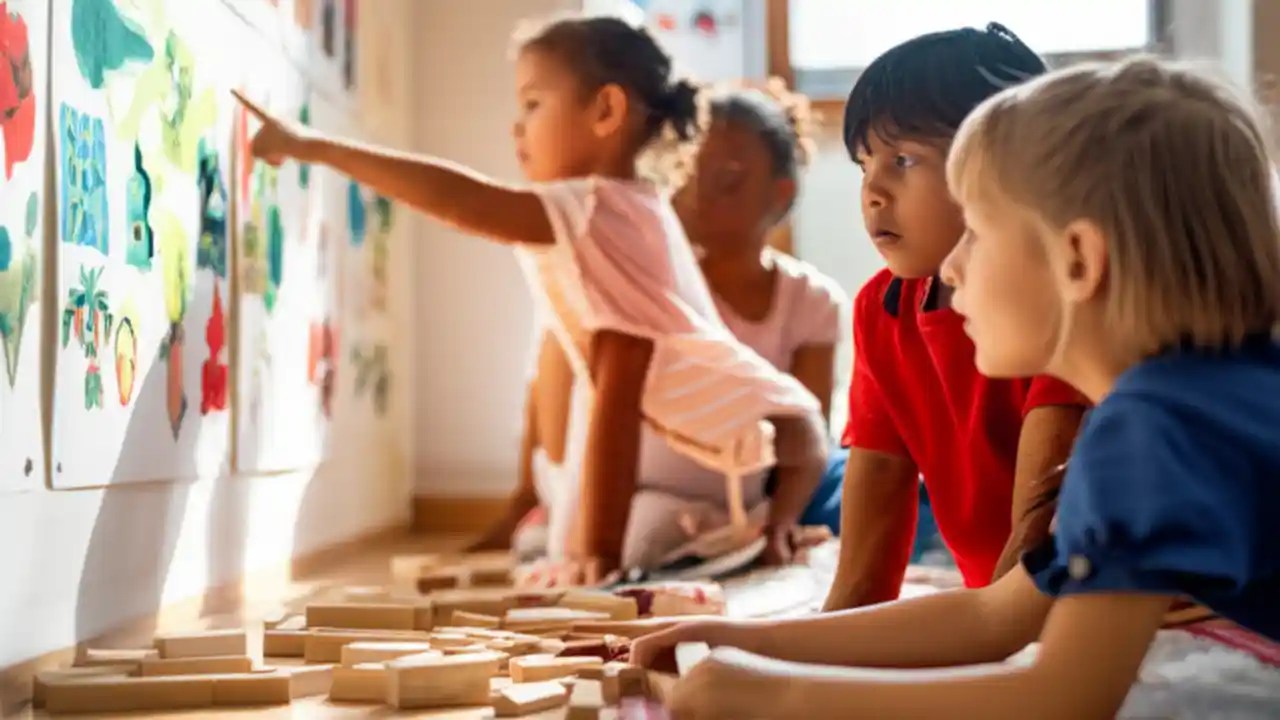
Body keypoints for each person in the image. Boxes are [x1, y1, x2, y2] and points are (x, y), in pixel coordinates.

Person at [630, 55, 1280, 720]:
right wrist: (745, 639)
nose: (954, 266)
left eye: (978, 231)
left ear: (1079, 261)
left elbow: (1061, 695)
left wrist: (776, 698)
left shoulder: (1149, 430)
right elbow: (997, 614)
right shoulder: (1198, 398)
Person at [235, 13, 826, 582]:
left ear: (606, 111)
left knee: (778, 445)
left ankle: (767, 531)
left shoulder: (598, 208)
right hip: (732, 417)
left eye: (533, 104)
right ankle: (756, 530)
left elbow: (462, 201)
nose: (516, 127)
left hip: (745, 412)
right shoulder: (629, 208)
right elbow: (610, 398)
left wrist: (316, 146)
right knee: (591, 522)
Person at [471, 82, 848, 570]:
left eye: (728, 179)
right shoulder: (643, 279)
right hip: (626, 498)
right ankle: (544, 512)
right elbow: (563, 386)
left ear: (781, 194)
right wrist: (531, 490)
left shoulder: (810, 300)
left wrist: (782, 522)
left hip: (736, 502)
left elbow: (803, 434)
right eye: (688, 175)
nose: (698, 195)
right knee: (644, 539)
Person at [821, 24, 1089, 611]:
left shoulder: (1062, 298)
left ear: (1007, 165)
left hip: (1055, 618)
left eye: (903, 158)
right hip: (989, 617)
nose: (872, 191)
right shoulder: (882, 309)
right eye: (863, 164)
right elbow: (862, 583)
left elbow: (1027, 576)